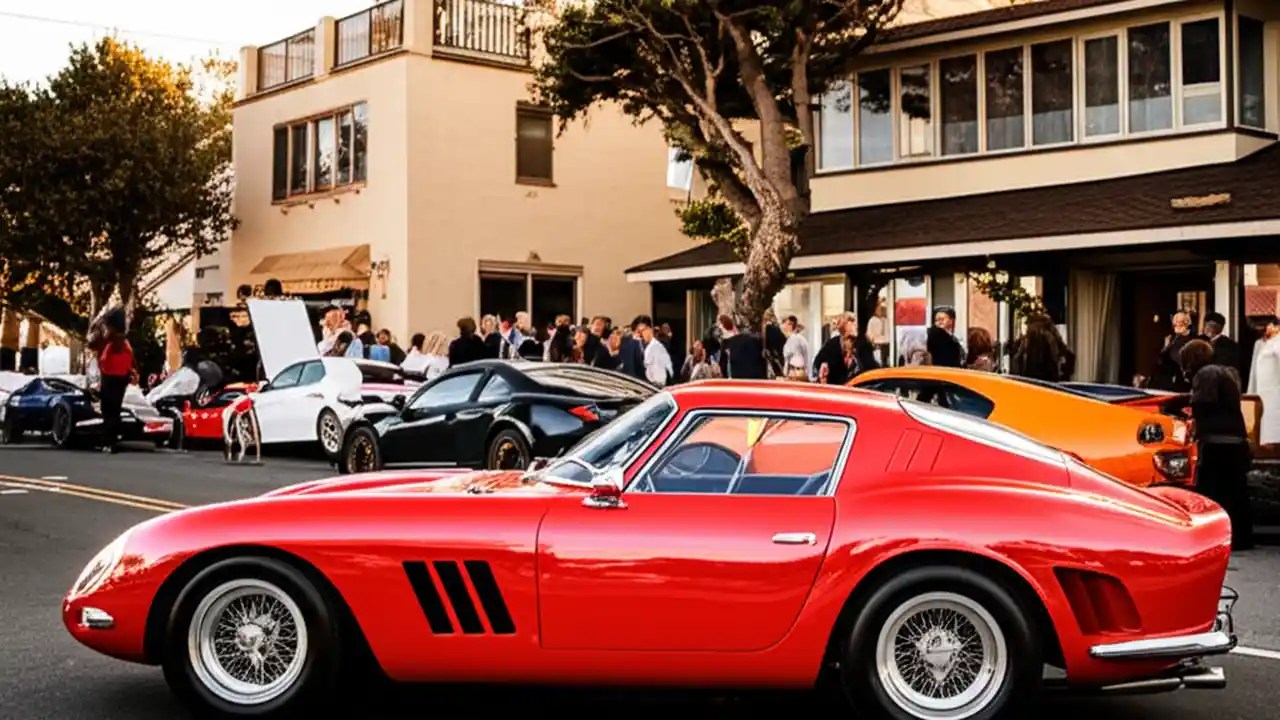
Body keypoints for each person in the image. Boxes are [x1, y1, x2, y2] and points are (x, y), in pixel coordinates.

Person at [1180, 339, 1254, 551]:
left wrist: (1185, 405)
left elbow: (1203, 404)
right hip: (1235, 439)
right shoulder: (1225, 372)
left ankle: (1218, 537)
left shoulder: (1206, 374)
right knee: (1236, 492)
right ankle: (1242, 538)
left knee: (1213, 491)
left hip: (1217, 441)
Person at [87, 307, 133, 454]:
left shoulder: (108, 340)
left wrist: (97, 323)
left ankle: (108, 441)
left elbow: (91, 343)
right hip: (122, 376)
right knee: (115, 409)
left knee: (107, 409)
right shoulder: (124, 342)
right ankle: (112, 441)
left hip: (110, 375)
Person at [1248, 316, 1280, 446]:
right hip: (1263, 391)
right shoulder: (1263, 343)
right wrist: (1252, 392)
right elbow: (1254, 370)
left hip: (1275, 391)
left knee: (1273, 422)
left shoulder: (1278, 342)